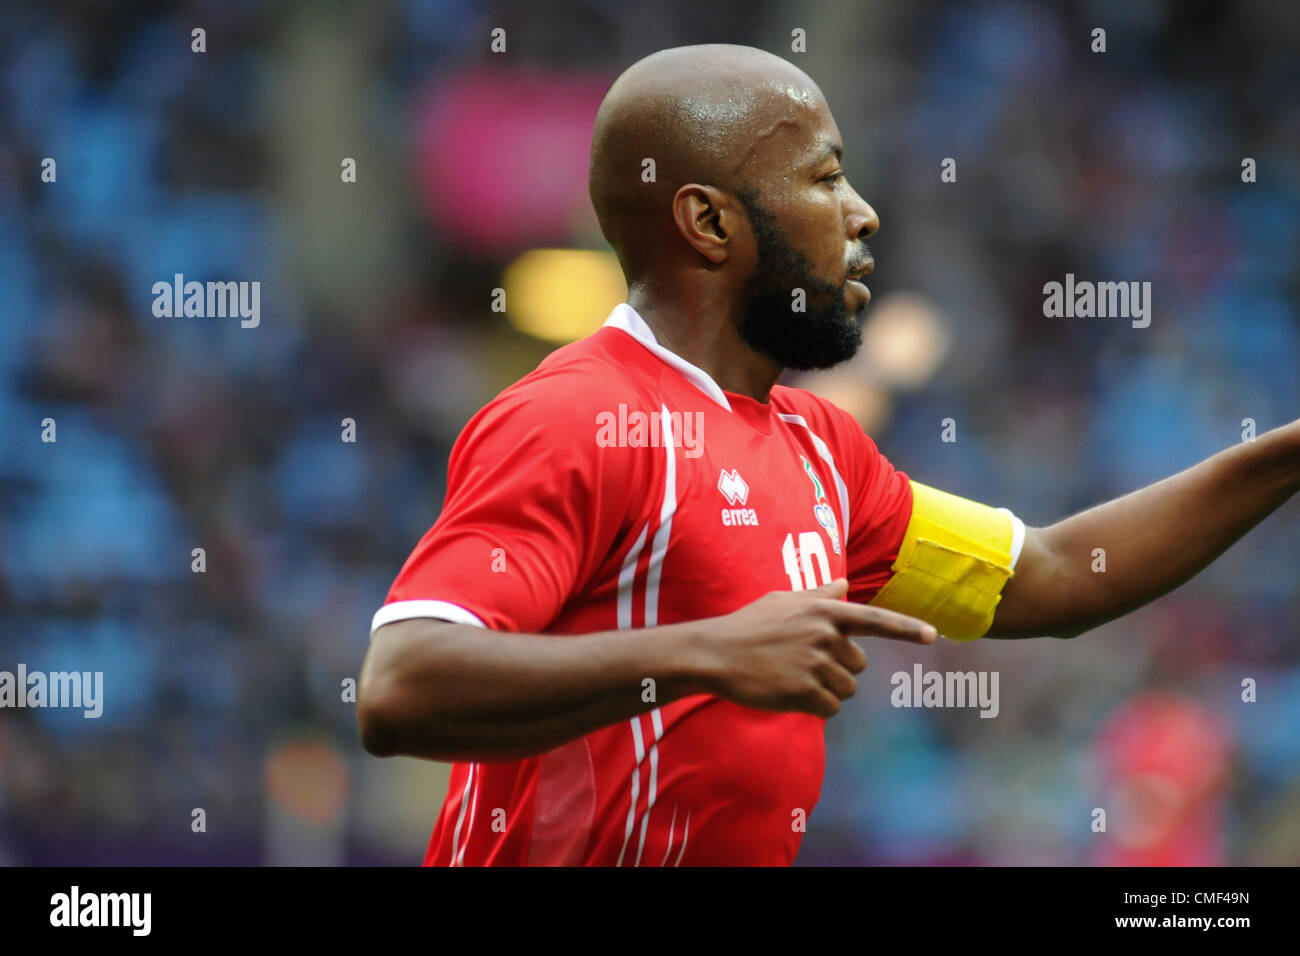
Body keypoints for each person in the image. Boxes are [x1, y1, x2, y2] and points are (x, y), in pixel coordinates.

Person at [357, 44, 1300, 866]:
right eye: (823, 179)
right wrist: (703, 654)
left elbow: (1049, 577)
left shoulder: (820, 448)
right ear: (710, 223)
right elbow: (402, 687)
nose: (863, 214)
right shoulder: (579, 416)